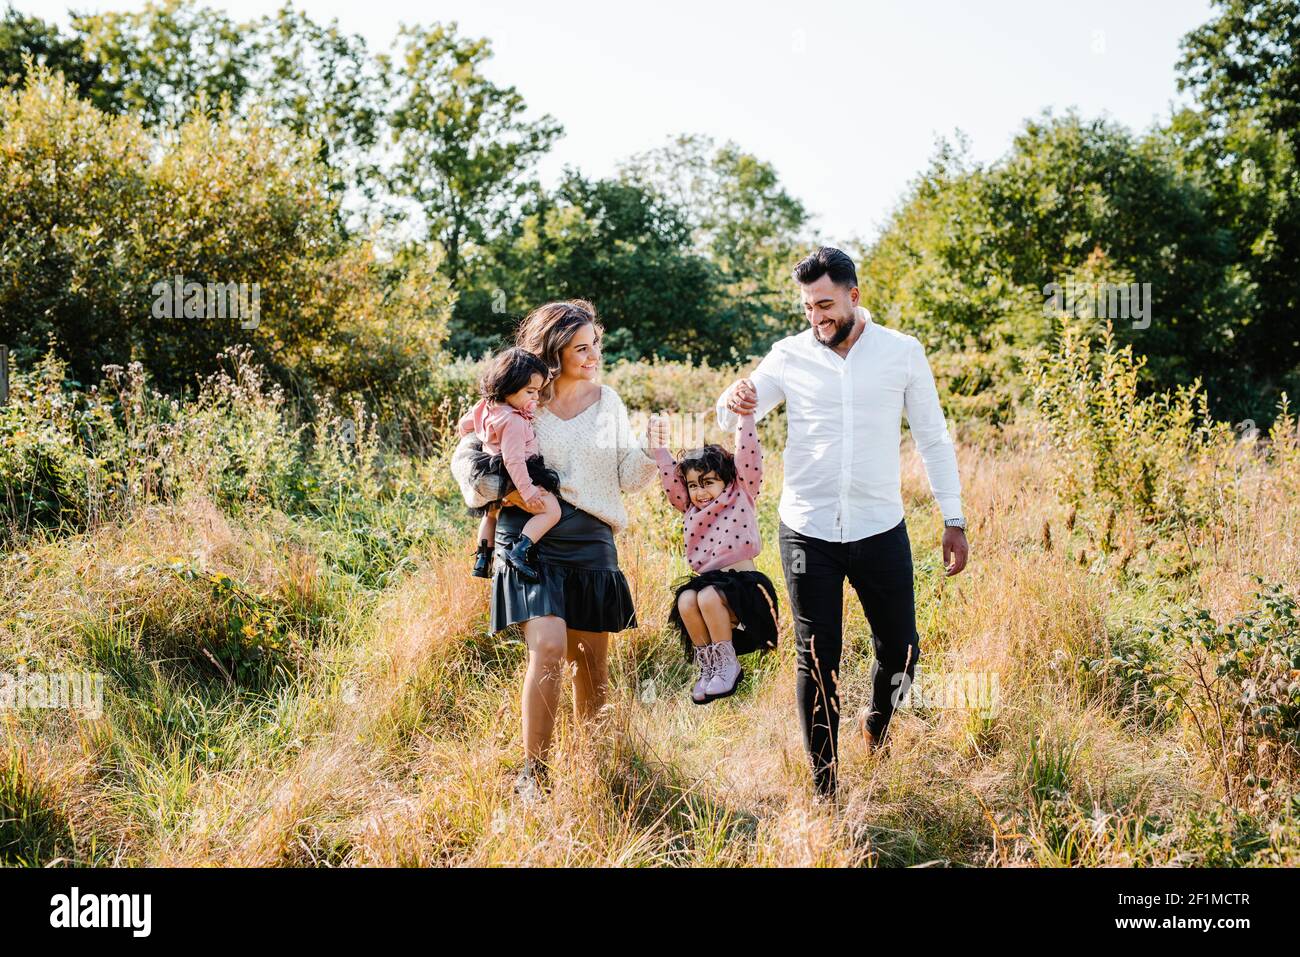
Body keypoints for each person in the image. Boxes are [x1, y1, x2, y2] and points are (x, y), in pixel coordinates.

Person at [717, 246, 970, 798]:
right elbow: (736, 410)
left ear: (854, 296)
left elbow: (932, 437)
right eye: (808, 307)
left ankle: (877, 728)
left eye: (826, 304)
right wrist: (734, 399)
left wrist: (954, 517)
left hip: (880, 527)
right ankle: (826, 787)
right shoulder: (788, 355)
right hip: (807, 529)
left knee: (901, 649)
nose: (816, 318)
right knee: (816, 654)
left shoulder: (902, 353)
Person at [450, 300, 659, 800]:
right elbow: (465, 457)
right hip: (528, 539)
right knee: (547, 646)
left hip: (590, 539)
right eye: (580, 348)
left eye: (595, 346)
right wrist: (500, 488)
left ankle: (598, 771)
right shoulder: (520, 396)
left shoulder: (607, 402)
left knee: (591, 662)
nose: (593, 357)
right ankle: (534, 776)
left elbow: (627, 479)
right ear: (553, 351)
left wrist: (652, 451)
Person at [650, 411, 779, 704]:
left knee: (707, 596)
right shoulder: (690, 509)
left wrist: (745, 417)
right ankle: (709, 668)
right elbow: (672, 482)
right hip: (709, 583)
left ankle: (728, 664)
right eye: (693, 485)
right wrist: (659, 449)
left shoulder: (740, 493)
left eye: (708, 482)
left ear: (727, 480)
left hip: (744, 586)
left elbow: (748, 456)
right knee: (686, 600)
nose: (700, 492)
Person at [457, 347, 562, 581]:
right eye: (530, 391)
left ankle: (483, 559)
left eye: (538, 391)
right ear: (509, 386)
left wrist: (480, 439)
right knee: (552, 510)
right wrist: (528, 491)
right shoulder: (512, 421)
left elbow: (464, 426)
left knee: (491, 514)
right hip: (512, 477)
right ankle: (519, 552)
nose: (535, 397)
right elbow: (513, 460)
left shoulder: (484, 406)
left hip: (490, 472)